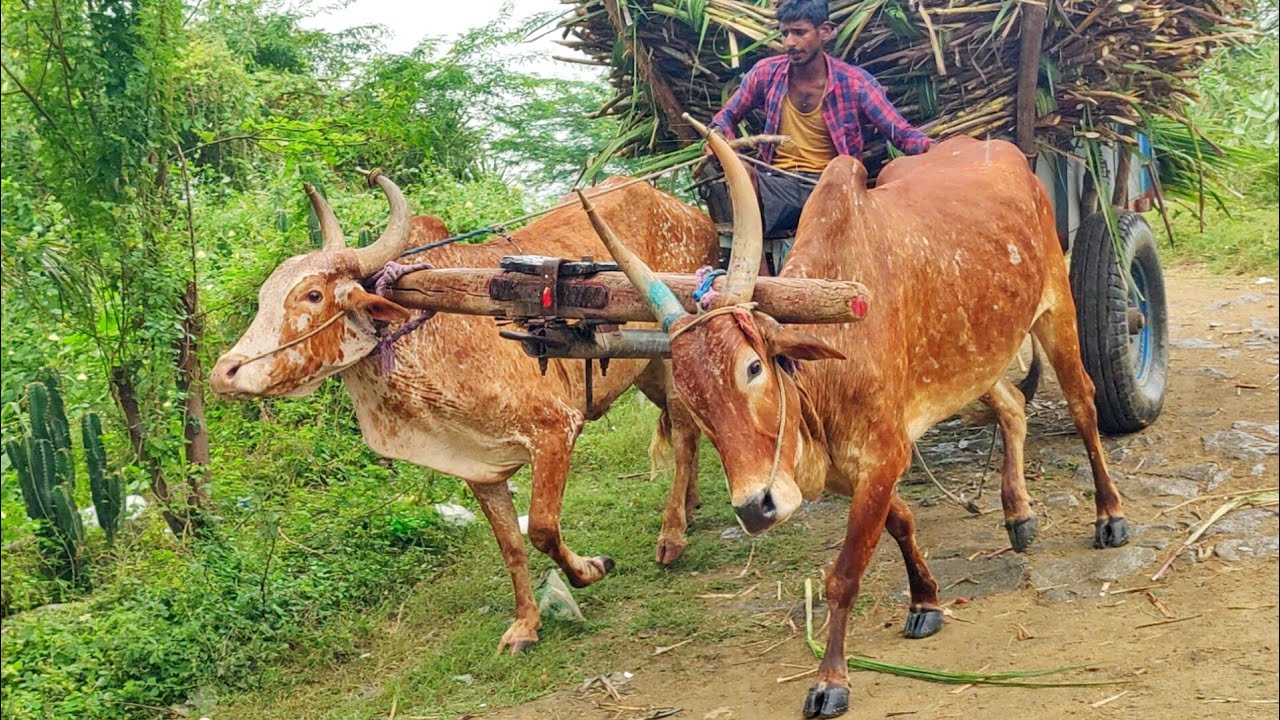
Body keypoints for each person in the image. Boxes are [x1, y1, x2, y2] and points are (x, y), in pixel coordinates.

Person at [699, 0, 935, 271]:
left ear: (826, 31)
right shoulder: (766, 73)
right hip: (776, 185)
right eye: (785, 33)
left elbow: (900, 133)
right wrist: (719, 140)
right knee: (736, 168)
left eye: (800, 32)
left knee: (842, 168)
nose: (790, 42)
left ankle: (761, 277)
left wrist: (933, 149)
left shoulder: (855, 82)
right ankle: (758, 272)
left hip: (829, 189)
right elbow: (724, 118)